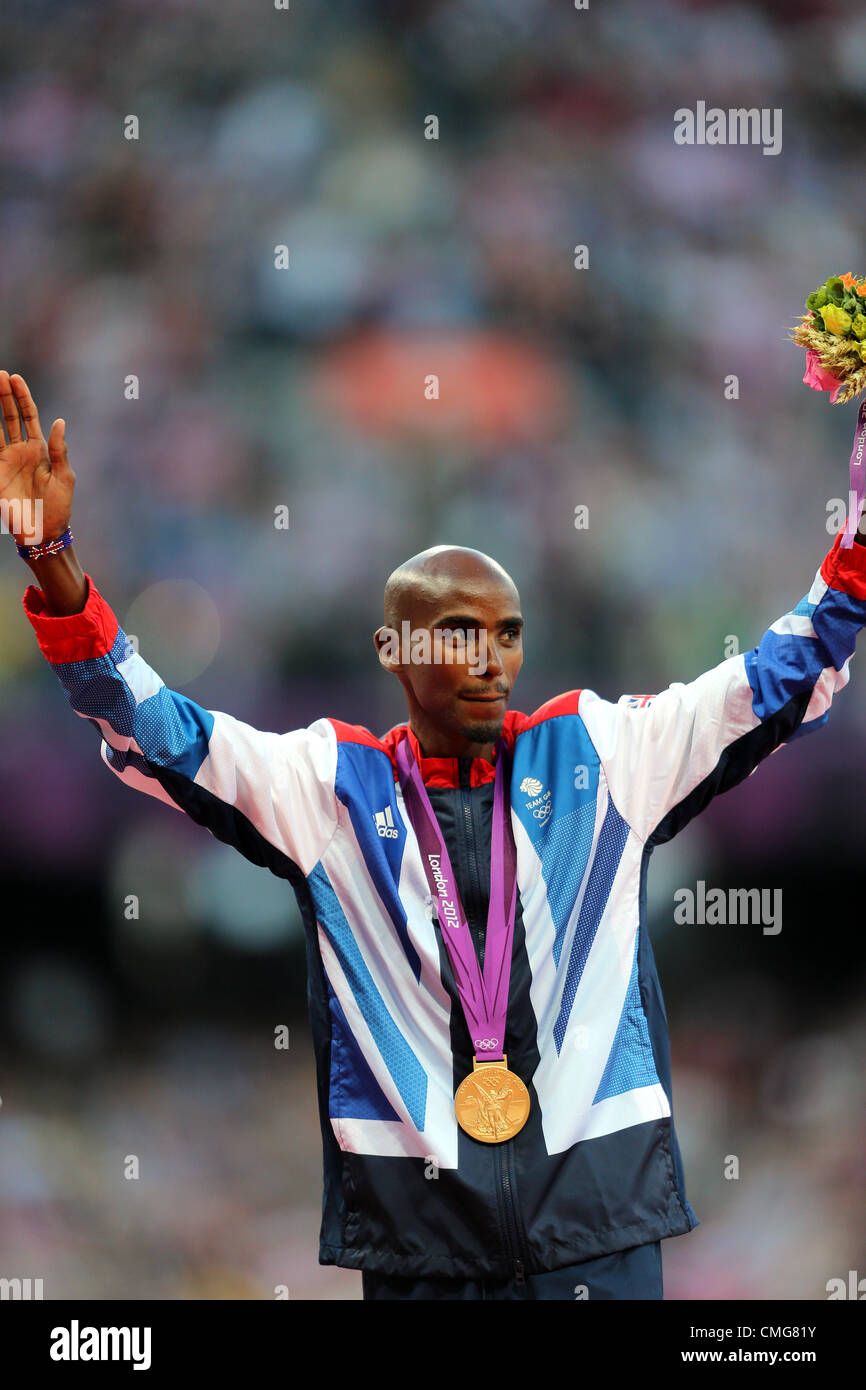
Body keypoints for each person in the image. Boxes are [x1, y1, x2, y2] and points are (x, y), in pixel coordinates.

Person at [4, 368, 866, 1302]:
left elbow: (778, 675)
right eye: (458, 633)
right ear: (391, 651)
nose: (491, 659)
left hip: (602, 1240)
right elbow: (155, 733)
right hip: (422, 1253)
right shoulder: (329, 787)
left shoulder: (601, 754)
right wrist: (54, 560)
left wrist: (857, 532)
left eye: (508, 633)